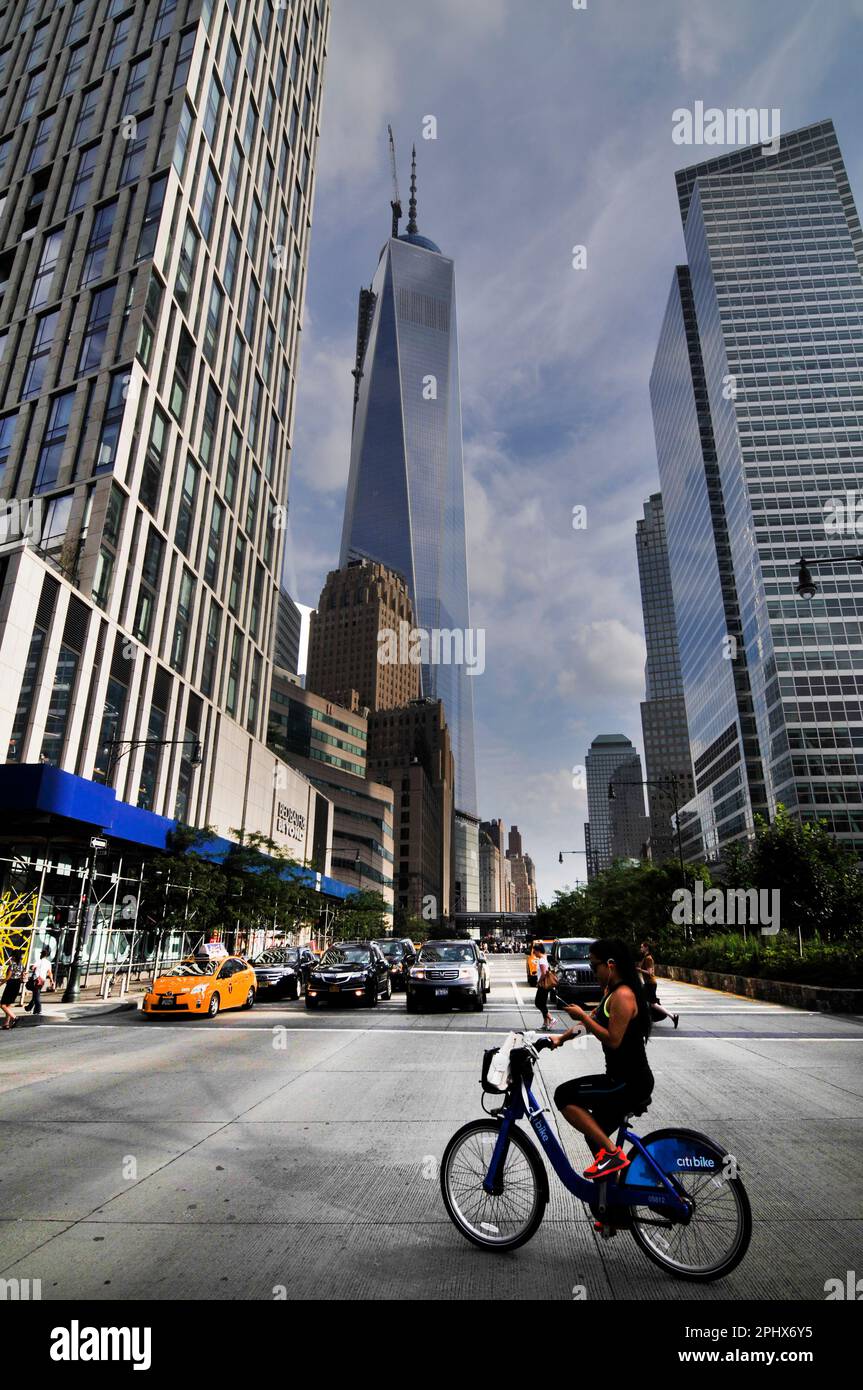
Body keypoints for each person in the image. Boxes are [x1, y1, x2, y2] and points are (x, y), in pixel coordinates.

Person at [550, 938, 654, 1179]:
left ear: (610, 965)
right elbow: (590, 1024)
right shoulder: (611, 994)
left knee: (564, 1095)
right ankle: (613, 1208)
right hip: (620, 1079)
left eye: (593, 965)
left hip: (629, 1082)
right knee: (594, 1135)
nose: (592, 971)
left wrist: (583, 1017)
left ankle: (613, 1154)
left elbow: (612, 1039)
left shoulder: (624, 995)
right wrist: (560, 1039)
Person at [637, 940, 678, 1029]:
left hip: (650, 984)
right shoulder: (645, 957)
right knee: (645, 1002)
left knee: (653, 1004)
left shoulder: (648, 958)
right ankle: (646, 1019)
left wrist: (640, 970)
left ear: (646, 947)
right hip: (648, 984)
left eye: (642, 947)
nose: (641, 948)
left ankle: (672, 1016)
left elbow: (650, 973)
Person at [25, 946, 54, 1016]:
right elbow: (50, 973)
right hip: (42, 981)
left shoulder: (39, 961)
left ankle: (38, 1009)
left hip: (36, 980)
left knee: (36, 995)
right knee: (36, 994)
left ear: (42, 955)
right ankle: (29, 1007)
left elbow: (33, 967)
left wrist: (32, 968)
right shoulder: (48, 963)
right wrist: (52, 981)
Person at [531, 943, 555, 1031]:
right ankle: (546, 1024)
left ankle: (551, 1019)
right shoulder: (543, 958)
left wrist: (538, 982)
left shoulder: (542, 960)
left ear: (538, 951)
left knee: (538, 1003)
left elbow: (544, 973)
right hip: (544, 985)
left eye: (534, 951)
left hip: (543, 985)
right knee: (543, 1004)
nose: (533, 953)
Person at [1, 956, 25, 1030]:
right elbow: (21, 976)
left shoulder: (12, 965)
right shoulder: (21, 965)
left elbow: (8, 977)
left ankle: (15, 1018)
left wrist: (1, 983)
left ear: (14, 957)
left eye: (12, 956)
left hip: (11, 985)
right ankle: (6, 1024)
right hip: (17, 985)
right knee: (8, 1005)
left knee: (2, 1005)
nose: (11, 957)